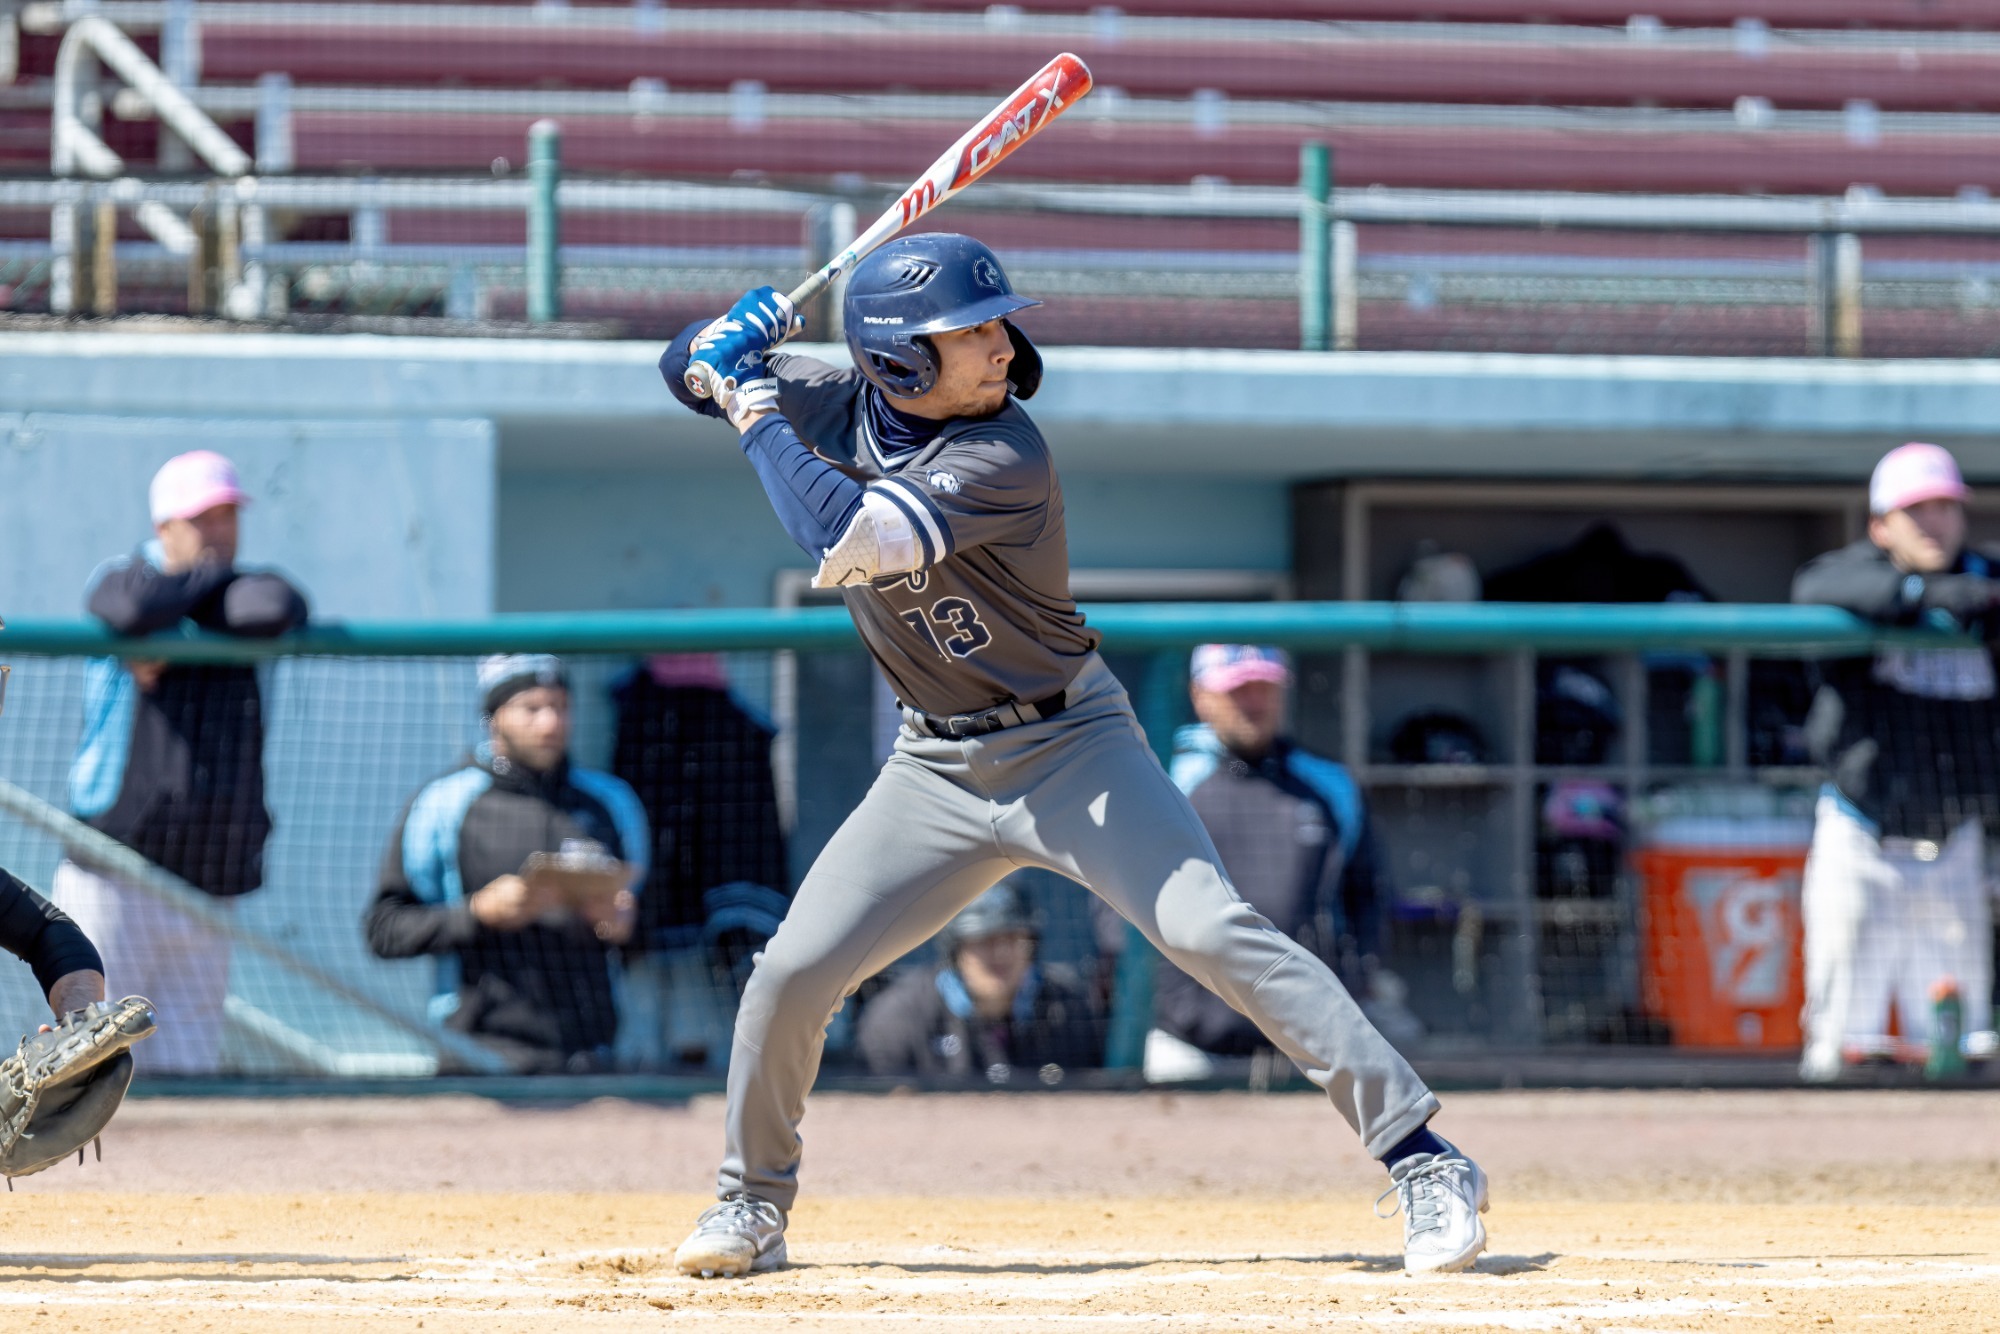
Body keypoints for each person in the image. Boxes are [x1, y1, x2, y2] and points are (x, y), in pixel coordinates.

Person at [657, 233, 1488, 1279]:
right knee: (790, 971)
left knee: (1209, 928)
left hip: (1070, 743)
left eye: (999, 322)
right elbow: (681, 369)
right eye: (971, 329)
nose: (1003, 344)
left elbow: (840, 537)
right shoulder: (838, 397)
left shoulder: (1005, 452)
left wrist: (745, 397)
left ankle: (1424, 1157)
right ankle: (750, 1200)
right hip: (934, 767)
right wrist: (730, 340)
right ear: (896, 356)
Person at [57, 450, 308, 1074]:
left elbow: (275, 607)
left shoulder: (243, 589)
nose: (220, 532)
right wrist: (191, 595)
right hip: (116, 869)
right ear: (164, 525)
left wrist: (190, 595)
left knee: (188, 1065)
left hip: (208, 872)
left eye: (228, 517)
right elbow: (127, 608)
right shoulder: (123, 579)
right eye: (204, 519)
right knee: (89, 1062)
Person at [1792, 442, 2000, 1082]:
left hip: (1956, 847)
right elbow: (1813, 586)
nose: (1935, 522)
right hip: (1864, 840)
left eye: (1945, 508)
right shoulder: (1853, 578)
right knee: (1842, 1045)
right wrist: (1919, 592)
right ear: (1882, 525)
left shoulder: (1983, 582)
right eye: (1917, 511)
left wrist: (1970, 598)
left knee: (1960, 1048)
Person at [1142, 644, 1418, 1083]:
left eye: (1264, 688)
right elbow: (1116, 905)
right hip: (1189, 1041)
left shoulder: (1329, 785)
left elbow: (1369, 896)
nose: (1254, 703)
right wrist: (1170, 1001)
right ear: (1201, 696)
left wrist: (1352, 982)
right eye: (1239, 690)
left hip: (1313, 1042)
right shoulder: (1164, 782)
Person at [364, 655, 650, 1074]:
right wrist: (477, 913)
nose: (551, 724)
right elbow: (383, 930)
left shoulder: (611, 804)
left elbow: (651, 929)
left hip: (592, 1060)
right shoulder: (444, 805)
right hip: (476, 1060)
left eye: (561, 707)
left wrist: (622, 924)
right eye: (532, 709)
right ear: (494, 716)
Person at [856, 879, 1102, 1083]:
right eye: (985, 939)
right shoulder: (898, 1018)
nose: (1001, 953)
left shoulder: (1068, 1009)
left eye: (1013, 938)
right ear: (955, 949)